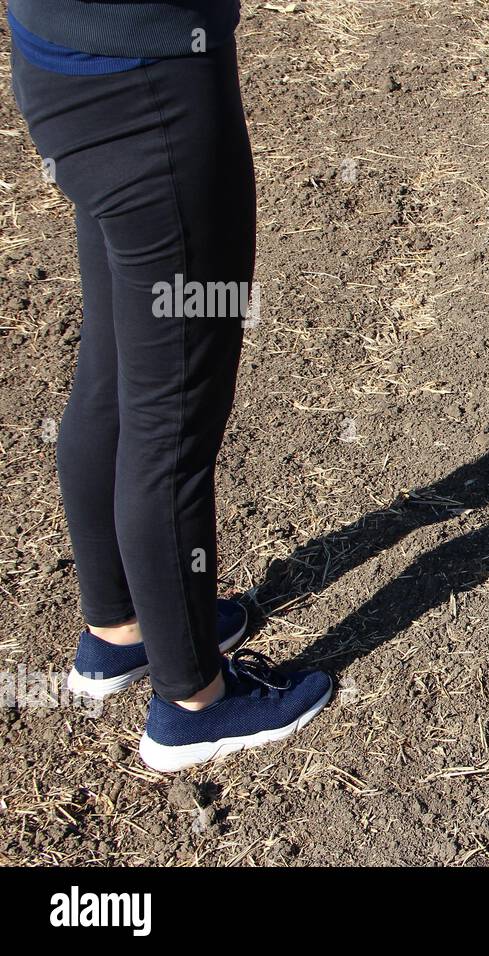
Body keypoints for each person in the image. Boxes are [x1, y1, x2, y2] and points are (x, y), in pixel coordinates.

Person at [8, 0, 331, 771]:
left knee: (115, 366)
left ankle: (118, 632)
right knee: (173, 419)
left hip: (61, 60)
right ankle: (193, 702)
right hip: (152, 82)